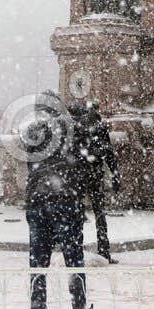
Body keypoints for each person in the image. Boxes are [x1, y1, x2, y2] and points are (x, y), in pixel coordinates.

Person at [23, 93, 88, 309]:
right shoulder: (69, 130)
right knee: (74, 258)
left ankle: (38, 305)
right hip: (65, 201)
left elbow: (30, 163)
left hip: (37, 202)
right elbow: (82, 161)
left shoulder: (32, 132)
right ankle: (79, 306)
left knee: (38, 260)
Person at [68, 100, 118, 262]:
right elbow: (109, 153)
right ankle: (104, 250)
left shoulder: (75, 126)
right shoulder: (100, 126)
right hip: (95, 173)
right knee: (99, 212)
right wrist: (115, 174)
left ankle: (75, 249)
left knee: (77, 212)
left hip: (79, 175)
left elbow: (69, 153)